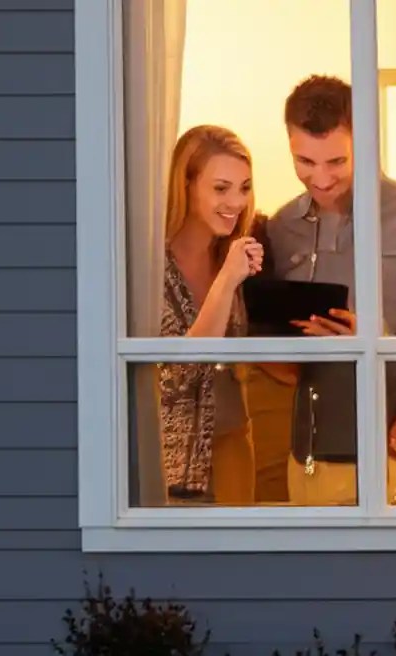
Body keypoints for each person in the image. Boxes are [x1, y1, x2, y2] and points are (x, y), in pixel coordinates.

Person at [263, 74, 396, 505]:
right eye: (304, 161)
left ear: (366, 141)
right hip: (311, 464)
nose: (319, 178)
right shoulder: (280, 229)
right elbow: (279, 355)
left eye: (336, 162)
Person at [158, 125, 265, 504]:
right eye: (221, 188)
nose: (235, 202)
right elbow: (179, 370)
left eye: (244, 187)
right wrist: (228, 279)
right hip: (173, 463)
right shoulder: (152, 267)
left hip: (235, 444)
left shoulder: (237, 252)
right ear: (185, 185)